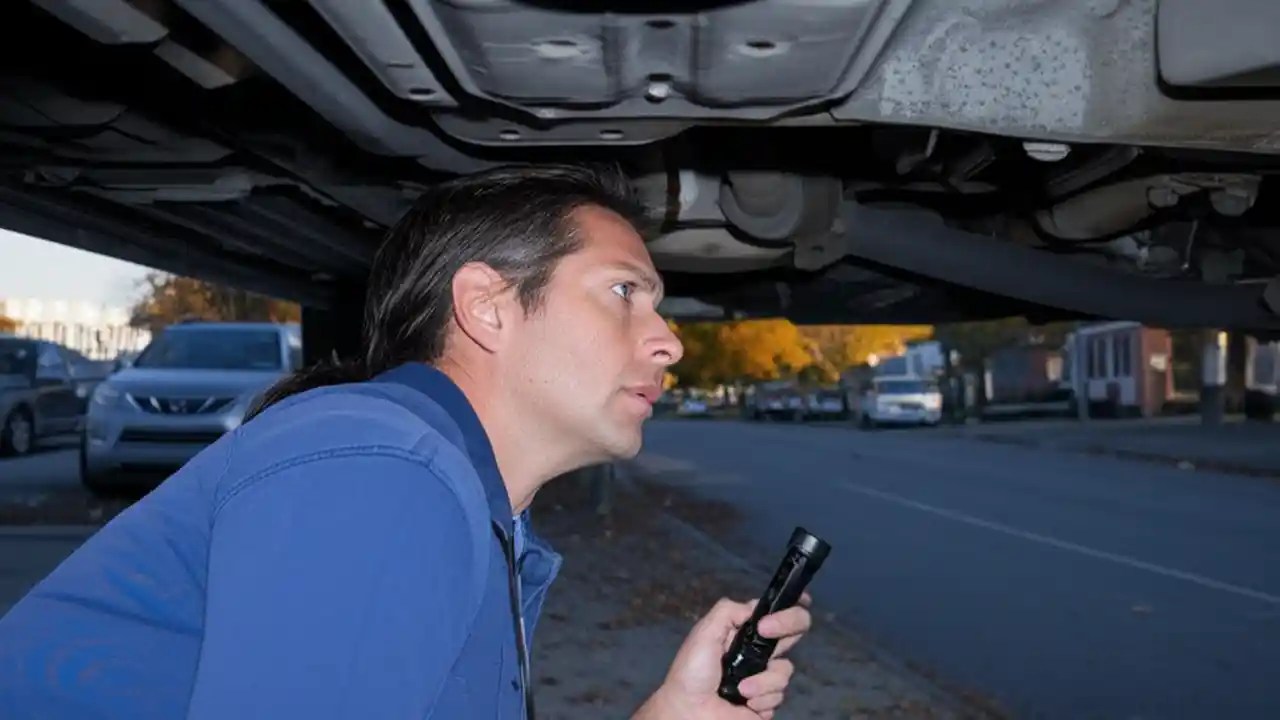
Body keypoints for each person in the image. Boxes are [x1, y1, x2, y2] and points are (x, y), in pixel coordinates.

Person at [0, 164, 812, 718]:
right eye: (625, 292)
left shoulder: (459, 504)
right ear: (487, 306)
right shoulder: (379, 472)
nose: (669, 341)